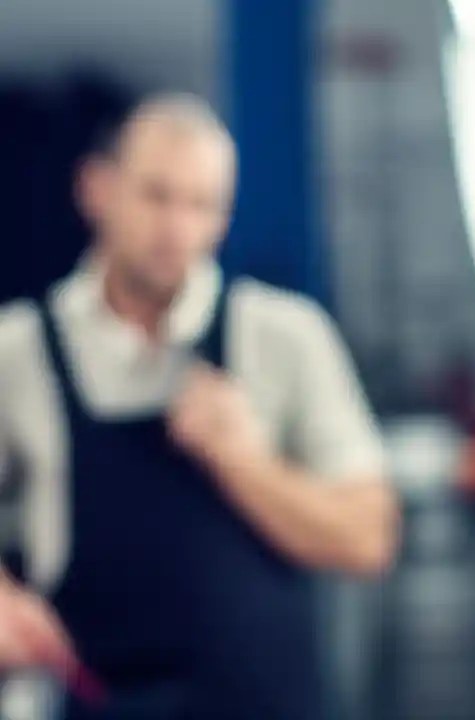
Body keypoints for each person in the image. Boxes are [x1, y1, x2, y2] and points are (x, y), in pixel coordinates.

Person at [0, 94, 398, 719]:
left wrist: (244, 463)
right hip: (89, 701)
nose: (177, 229)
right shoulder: (16, 351)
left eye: (202, 205)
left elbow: (368, 539)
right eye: (156, 196)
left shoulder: (285, 335)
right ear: (97, 189)